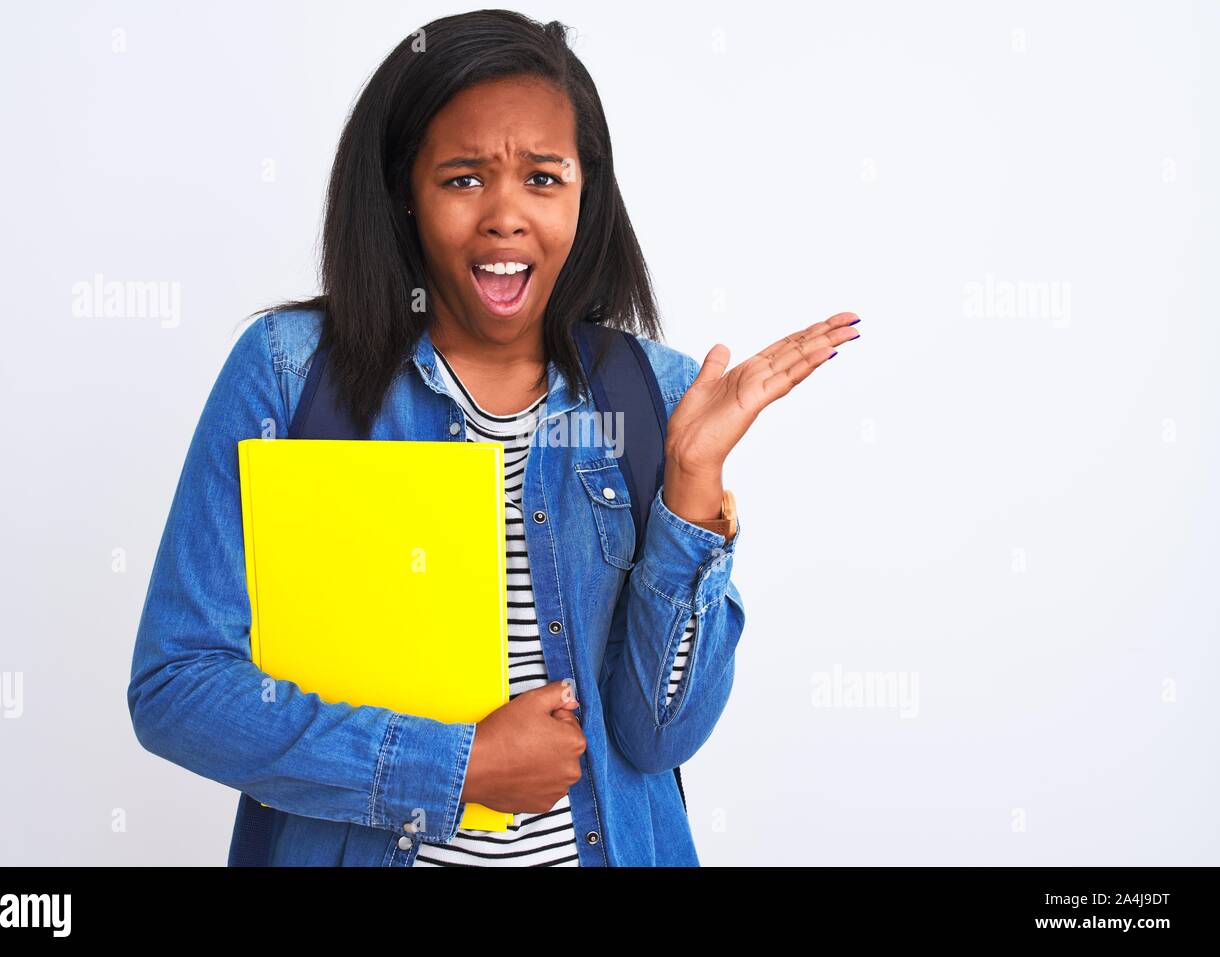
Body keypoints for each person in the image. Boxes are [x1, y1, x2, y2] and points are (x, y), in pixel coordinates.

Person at [126, 9, 860, 867]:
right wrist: (459, 765)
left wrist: (693, 485)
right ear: (404, 189)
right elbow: (178, 686)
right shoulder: (288, 375)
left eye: (544, 178)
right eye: (464, 178)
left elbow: (660, 736)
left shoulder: (658, 393)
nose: (506, 216)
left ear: (587, 191)